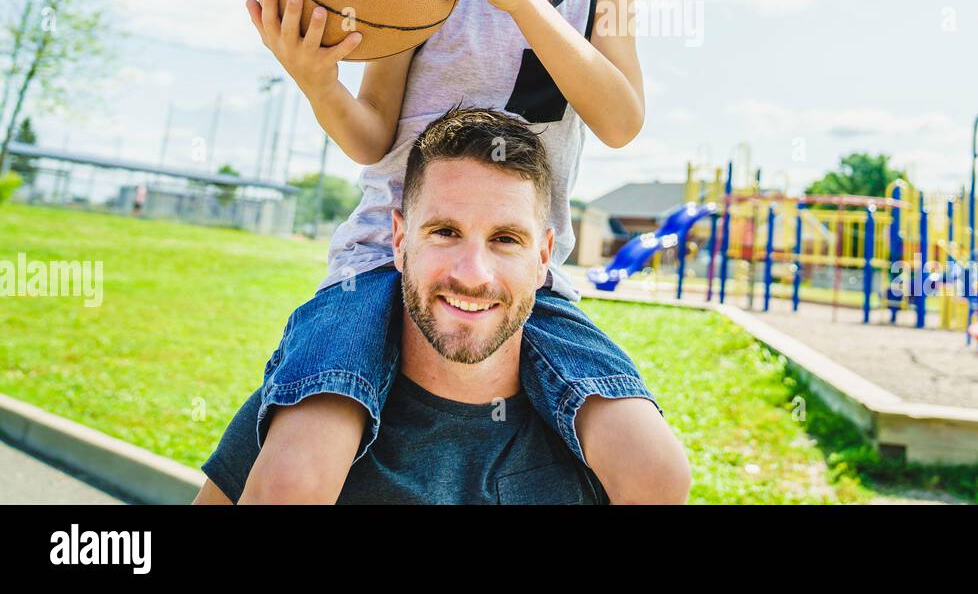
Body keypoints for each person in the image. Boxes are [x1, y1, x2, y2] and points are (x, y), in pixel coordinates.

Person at [241, 0, 690, 504]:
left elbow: (620, 118)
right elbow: (371, 135)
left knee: (655, 466)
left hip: (523, 279)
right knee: (294, 474)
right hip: (383, 259)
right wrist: (319, 81)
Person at [195, 107, 687, 504]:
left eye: (506, 239)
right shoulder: (303, 404)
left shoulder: (602, 444)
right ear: (399, 240)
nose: (473, 274)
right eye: (445, 232)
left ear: (543, 259)